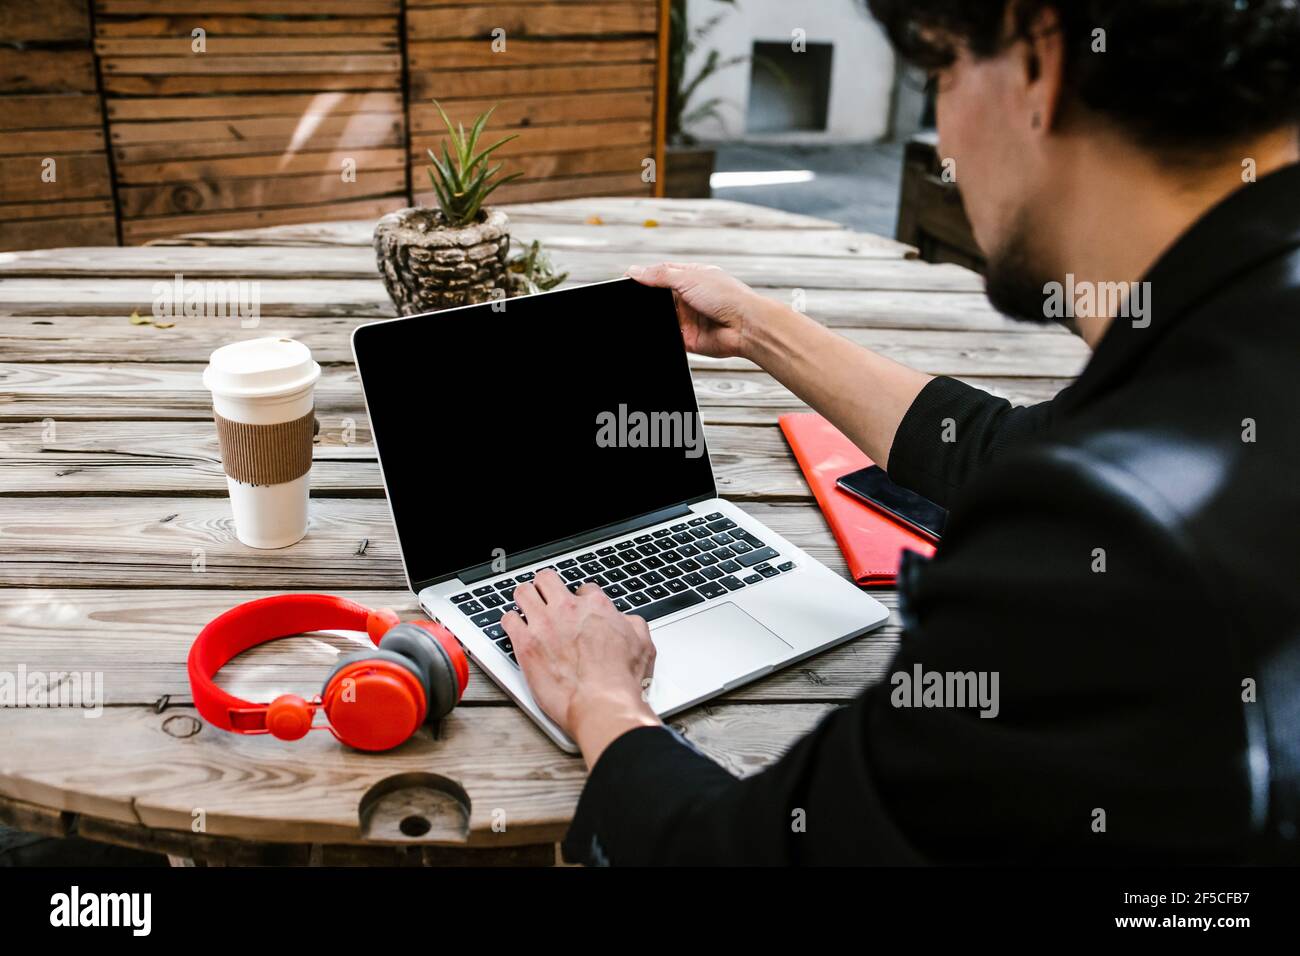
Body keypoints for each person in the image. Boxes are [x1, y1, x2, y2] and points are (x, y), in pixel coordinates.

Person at [499, 0, 1300, 864]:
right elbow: (1008, 450)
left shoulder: (1108, 542)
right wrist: (762, 328)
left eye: (941, 75)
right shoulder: (1236, 346)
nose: (945, 147)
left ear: (1039, 60)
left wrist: (602, 699)